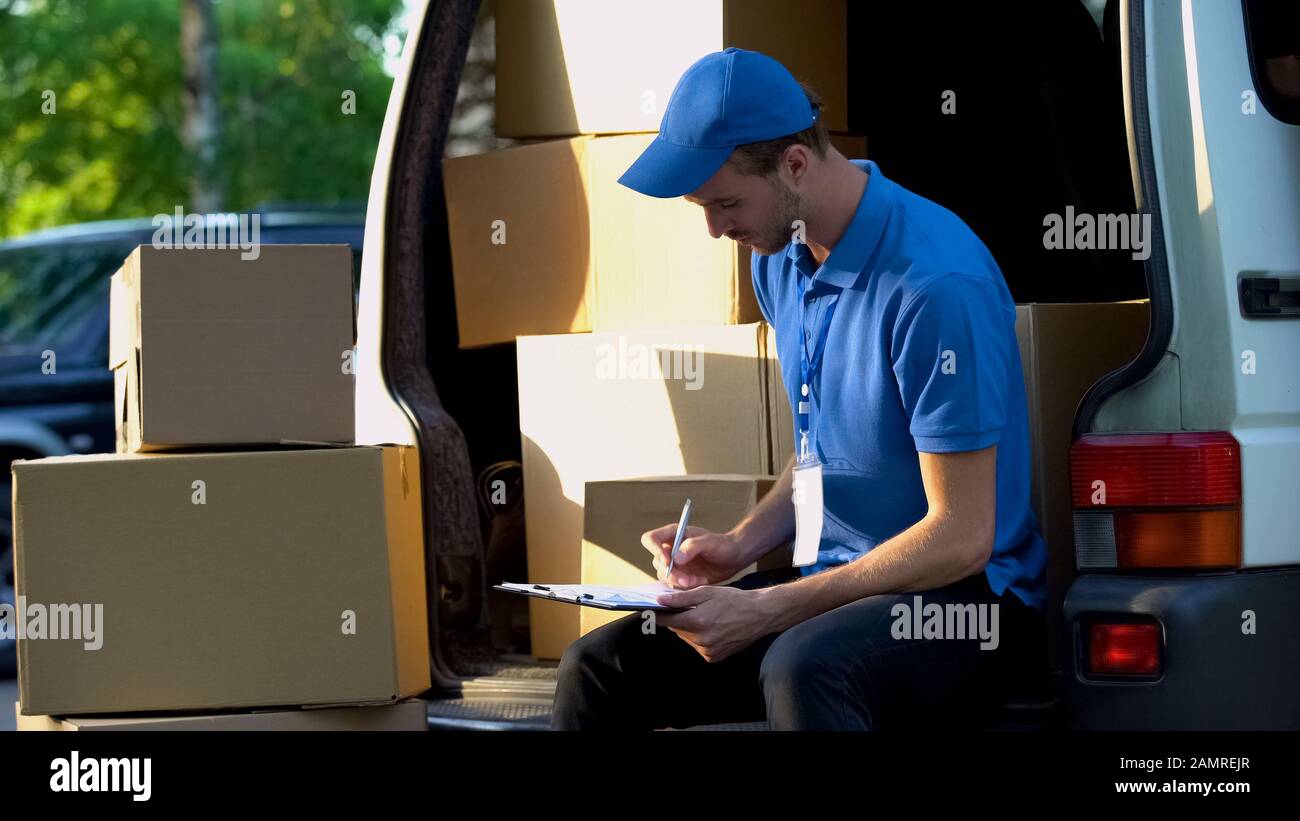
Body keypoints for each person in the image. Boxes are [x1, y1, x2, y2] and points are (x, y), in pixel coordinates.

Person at [551, 48, 1048, 731]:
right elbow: (823, 453)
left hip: (966, 601)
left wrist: (766, 607)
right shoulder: (779, 261)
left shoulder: (935, 287)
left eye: (726, 202)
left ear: (794, 163)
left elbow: (962, 535)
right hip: (838, 587)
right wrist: (740, 544)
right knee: (598, 667)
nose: (715, 228)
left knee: (801, 665)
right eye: (703, 206)